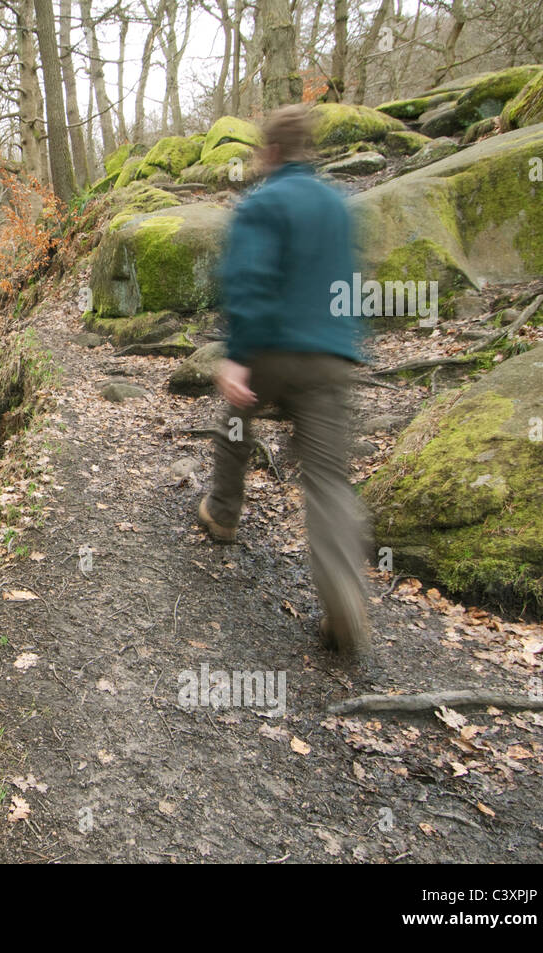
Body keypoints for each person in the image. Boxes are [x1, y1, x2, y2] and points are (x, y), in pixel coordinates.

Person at [196, 104, 373, 663]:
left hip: (273, 347)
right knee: (327, 481)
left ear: (269, 151)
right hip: (330, 354)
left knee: (232, 417)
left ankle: (223, 513)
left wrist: (239, 358)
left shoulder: (263, 202)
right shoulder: (337, 206)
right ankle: (343, 591)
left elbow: (249, 281)